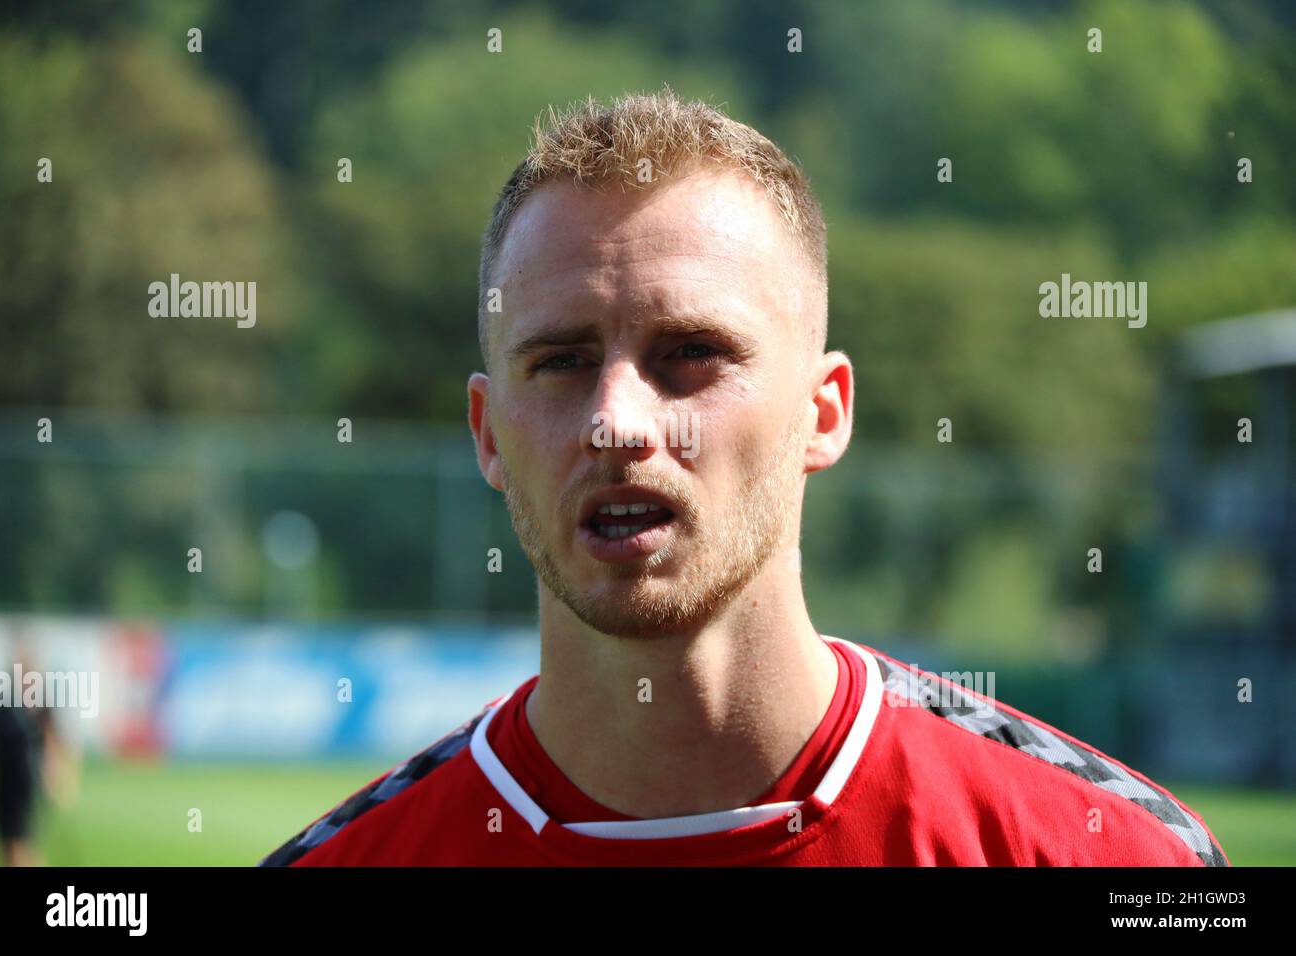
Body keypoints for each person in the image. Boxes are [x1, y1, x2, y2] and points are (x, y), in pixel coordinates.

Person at [262, 88, 1228, 866]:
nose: (616, 421)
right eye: (559, 361)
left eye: (690, 352)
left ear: (824, 411)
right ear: (485, 432)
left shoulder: (1109, 858)